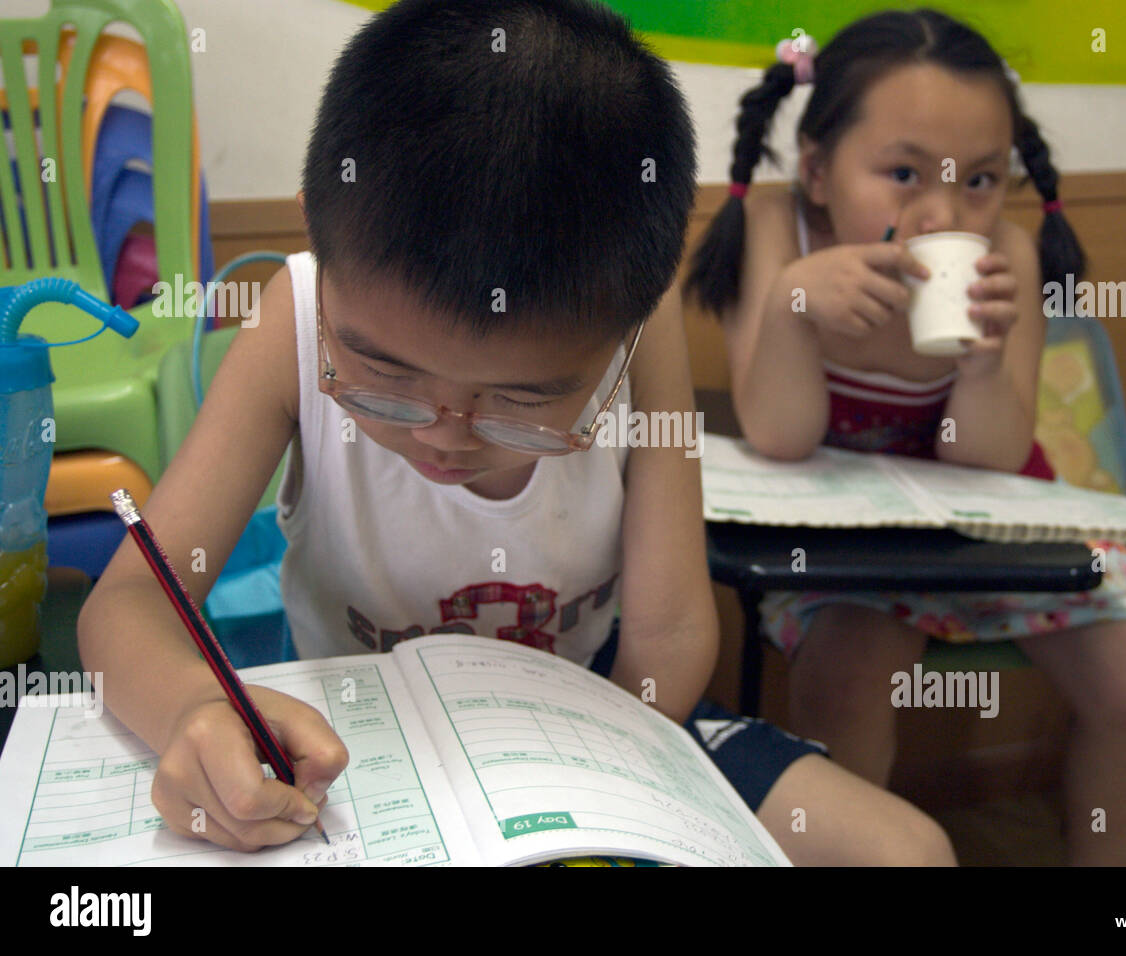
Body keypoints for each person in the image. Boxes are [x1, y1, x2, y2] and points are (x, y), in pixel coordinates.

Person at [78, 0, 954, 866]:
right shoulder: (294, 318)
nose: (447, 436)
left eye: (521, 401)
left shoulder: (642, 348)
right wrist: (196, 713)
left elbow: (672, 638)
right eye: (384, 378)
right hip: (349, 736)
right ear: (319, 226)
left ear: (625, 325)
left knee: (907, 848)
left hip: (606, 710)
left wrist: (600, 785)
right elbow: (128, 604)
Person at [685, 7, 1126, 865]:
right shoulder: (775, 228)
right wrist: (794, 305)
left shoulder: (1008, 247)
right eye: (903, 173)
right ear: (817, 171)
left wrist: (981, 360)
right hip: (846, 546)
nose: (943, 211)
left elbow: (994, 457)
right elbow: (782, 437)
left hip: (994, 530)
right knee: (846, 674)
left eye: (978, 179)